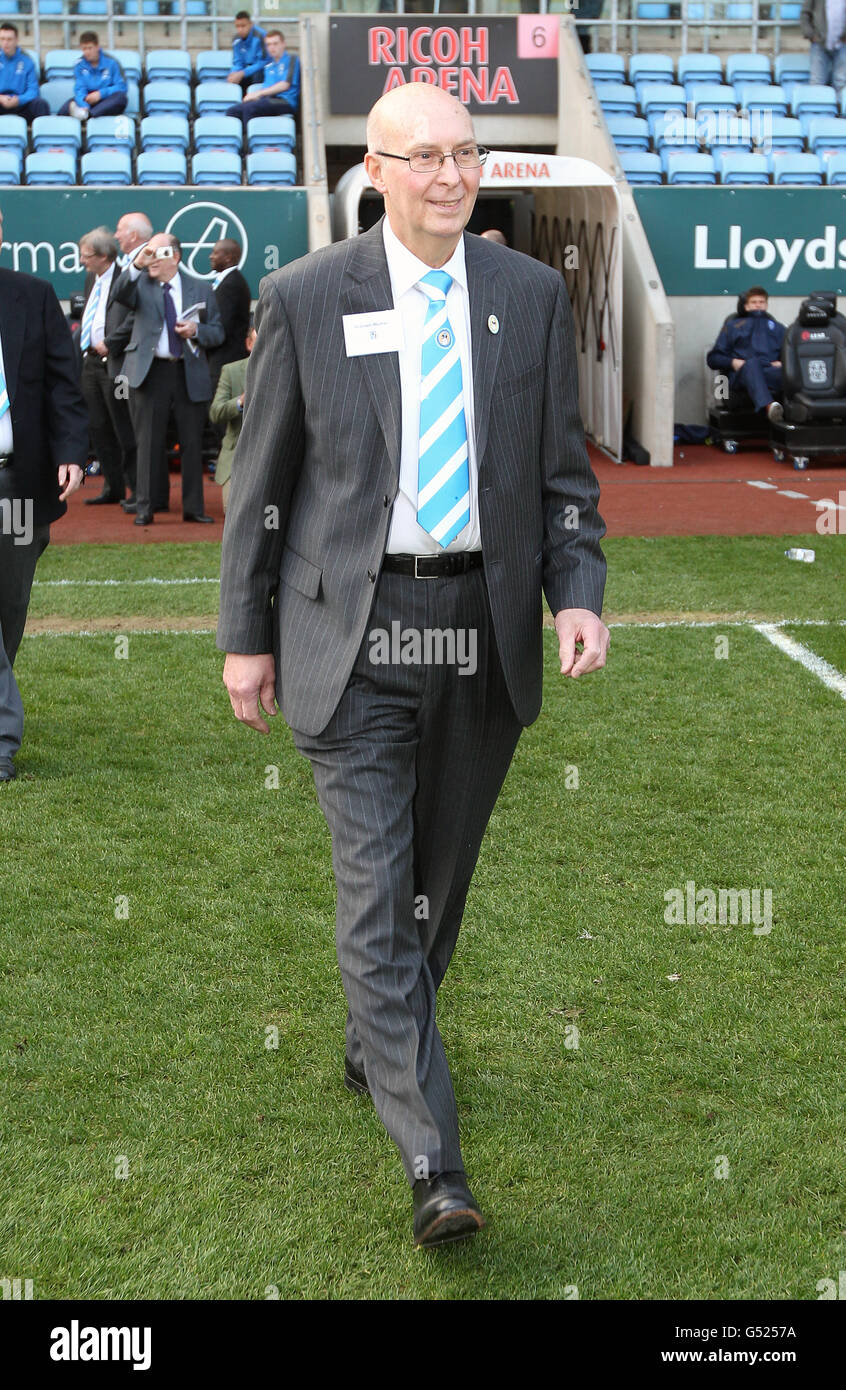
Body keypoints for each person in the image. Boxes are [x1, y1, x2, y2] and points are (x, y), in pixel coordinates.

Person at [217, 83, 609, 1249]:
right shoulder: (304, 297)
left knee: (438, 880)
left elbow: (563, 482)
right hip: (355, 627)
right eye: (423, 157)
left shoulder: (529, 297)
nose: (450, 174)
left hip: (481, 629)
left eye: (465, 152)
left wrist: (576, 595)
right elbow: (260, 486)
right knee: (379, 890)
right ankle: (434, 1159)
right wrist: (245, 635)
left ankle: (375, 1035)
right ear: (374, 173)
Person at [0, 207, 88, 785]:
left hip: (19, 480)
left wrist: (72, 450)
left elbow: (64, 381)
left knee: (9, 606)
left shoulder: (32, 294)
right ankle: (3, 738)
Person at [113, 233, 224, 527]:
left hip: (187, 370)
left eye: (156, 253)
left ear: (174, 256)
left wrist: (195, 331)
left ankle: (193, 508)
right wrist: (137, 264)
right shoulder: (141, 285)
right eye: (146, 252)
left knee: (191, 442)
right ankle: (145, 507)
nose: (150, 258)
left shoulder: (201, 288)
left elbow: (217, 332)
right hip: (151, 373)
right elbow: (119, 292)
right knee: (147, 442)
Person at [78, 226, 136, 507]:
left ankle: (137, 490)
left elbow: (135, 317)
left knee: (122, 427)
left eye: (87, 255)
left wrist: (111, 342)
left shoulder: (125, 279)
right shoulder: (92, 279)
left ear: (103, 256)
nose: (82, 261)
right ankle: (113, 488)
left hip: (115, 362)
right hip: (89, 362)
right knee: (98, 427)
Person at [706, 286, 785, 422]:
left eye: (761, 302)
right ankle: (768, 406)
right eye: (754, 302)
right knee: (751, 363)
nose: (758, 305)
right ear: (746, 306)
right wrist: (733, 362)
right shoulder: (733, 326)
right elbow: (713, 359)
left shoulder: (779, 328)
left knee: (789, 371)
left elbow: (790, 357)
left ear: (766, 305)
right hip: (741, 375)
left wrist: (783, 363)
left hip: (769, 371)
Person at [209, 322, 256, 512]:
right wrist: (241, 401)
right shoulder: (231, 371)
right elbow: (215, 412)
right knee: (233, 516)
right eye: (258, 341)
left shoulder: (286, 370)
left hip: (273, 458)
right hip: (236, 457)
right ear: (249, 344)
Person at [225, 29, 299, 126]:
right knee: (233, 111)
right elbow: (267, 87)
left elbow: (285, 85)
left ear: (283, 44)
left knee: (250, 108)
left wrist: (257, 94)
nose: (272, 47)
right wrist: (257, 97)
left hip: (285, 101)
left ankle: (250, 139)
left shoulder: (292, 59)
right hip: (268, 100)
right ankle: (240, 139)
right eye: (268, 44)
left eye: (275, 44)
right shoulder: (269, 65)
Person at [208, 239, 252, 399]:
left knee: (219, 417)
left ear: (228, 258)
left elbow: (221, 327)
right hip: (222, 360)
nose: (210, 256)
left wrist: (198, 333)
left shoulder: (231, 284)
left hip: (224, 362)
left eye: (215, 253)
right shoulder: (228, 281)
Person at [60, 32, 127, 121]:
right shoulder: (79, 65)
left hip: (106, 100)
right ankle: (85, 114)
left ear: (97, 47)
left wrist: (100, 94)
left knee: (120, 98)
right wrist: (84, 104)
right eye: (84, 48)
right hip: (88, 100)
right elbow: (80, 88)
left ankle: (87, 116)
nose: (87, 52)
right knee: (66, 107)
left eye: (90, 48)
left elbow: (121, 87)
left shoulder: (112, 63)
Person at [0, 23, 48, 122]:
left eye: (9, 39)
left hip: (21, 104)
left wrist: (19, 100)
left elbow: (33, 90)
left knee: (40, 104)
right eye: (2, 39)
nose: (5, 43)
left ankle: (43, 136)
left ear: (16, 40)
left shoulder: (27, 61)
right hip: (1, 103)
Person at [801, 0, 846, 92]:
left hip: (843, 44)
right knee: (817, 82)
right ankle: (816, 105)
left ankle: (841, 105)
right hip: (819, 43)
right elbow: (805, 14)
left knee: (841, 82)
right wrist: (810, 34)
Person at [228, 11, 267, 91]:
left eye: (243, 26)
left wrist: (243, 73)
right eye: (237, 26)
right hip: (247, 71)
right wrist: (234, 73)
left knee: (256, 75)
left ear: (251, 24)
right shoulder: (236, 40)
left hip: (261, 71)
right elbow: (238, 62)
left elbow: (263, 62)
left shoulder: (261, 36)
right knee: (233, 79)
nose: (240, 29)